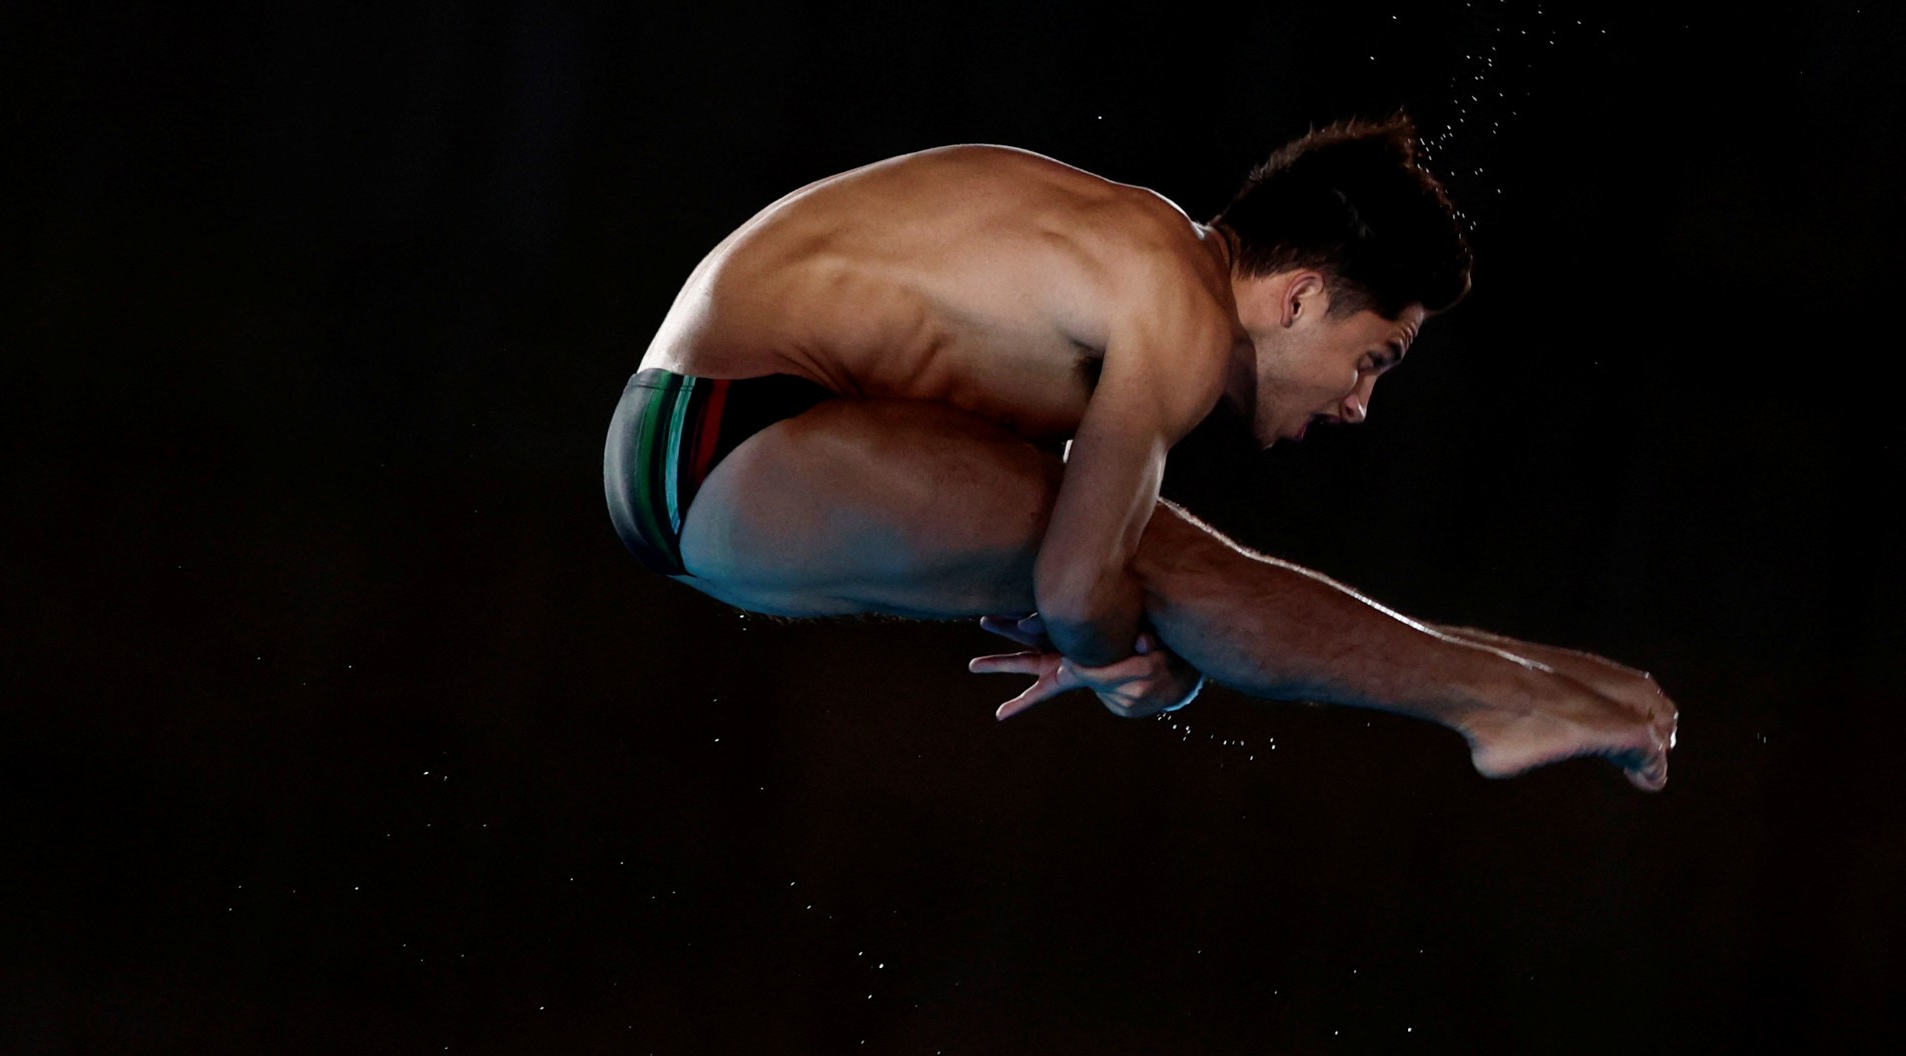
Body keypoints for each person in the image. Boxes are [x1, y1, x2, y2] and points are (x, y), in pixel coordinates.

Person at [604, 117, 1677, 789]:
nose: (1359, 405)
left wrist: (1113, 628)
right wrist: (1131, 662)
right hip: (729, 434)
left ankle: (1542, 684)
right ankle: (1504, 701)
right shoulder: (1177, 301)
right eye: (1372, 360)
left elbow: (1085, 580)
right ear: (1301, 296)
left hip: (695, 438)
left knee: (1163, 560)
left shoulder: (1137, 264)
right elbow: (1080, 590)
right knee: (1164, 564)